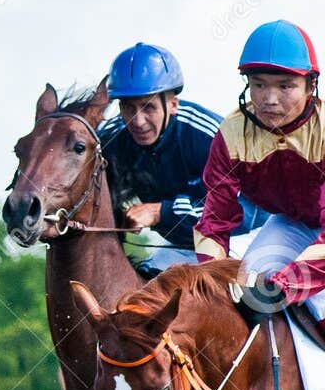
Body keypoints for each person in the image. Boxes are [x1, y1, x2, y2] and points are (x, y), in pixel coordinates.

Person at [194, 21, 325, 323]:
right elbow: (213, 222)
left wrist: (284, 286)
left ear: (311, 86)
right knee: (242, 291)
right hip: (290, 224)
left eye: (285, 85)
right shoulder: (230, 133)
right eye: (259, 84)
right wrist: (213, 281)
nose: (269, 99)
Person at [99, 42, 266, 273]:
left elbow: (233, 211)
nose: (137, 121)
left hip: (248, 233)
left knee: (223, 291)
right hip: (184, 244)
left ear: (173, 104)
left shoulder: (213, 136)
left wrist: (160, 212)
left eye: (148, 108)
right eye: (128, 108)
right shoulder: (112, 138)